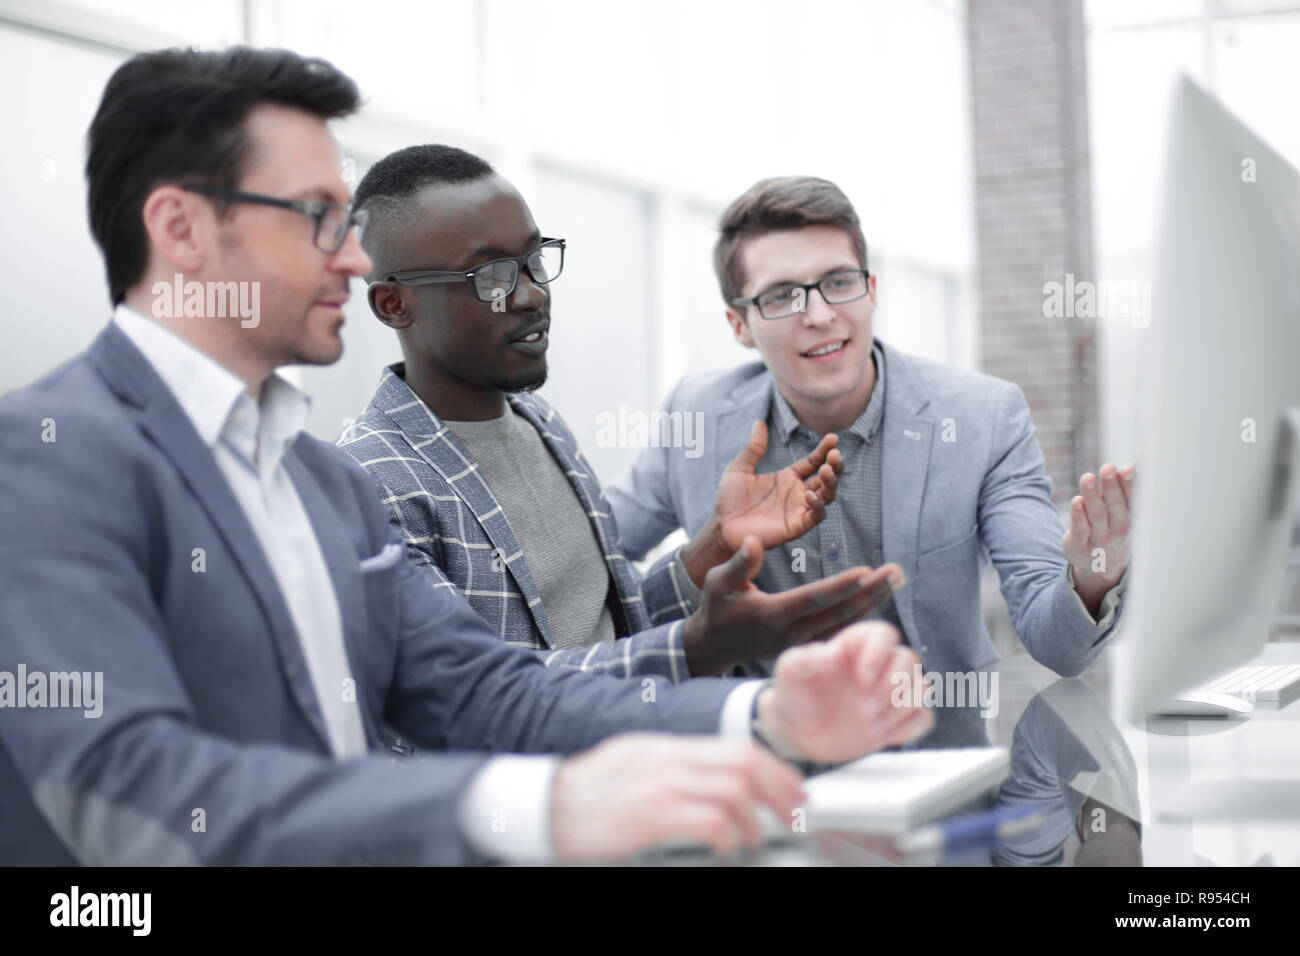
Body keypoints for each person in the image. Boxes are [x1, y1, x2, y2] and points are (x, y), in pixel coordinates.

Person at [0, 48, 931, 866]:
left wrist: (762, 718)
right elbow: (125, 785)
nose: (356, 262)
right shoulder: (50, 459)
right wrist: (549, 804)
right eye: (319, 218)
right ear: (180, 230)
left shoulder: (318, 485)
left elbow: (486, 691)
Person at [338, 145, 901, 682]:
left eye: (532, 259)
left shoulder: (541, 425)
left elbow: (615, 626)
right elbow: (471, 690)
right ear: (394, 304)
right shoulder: (367, 487)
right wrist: (696, 645)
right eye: (490, 277)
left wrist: (715, 544)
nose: (532, 294)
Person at [607, 176, 1133, 741]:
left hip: (936, 765)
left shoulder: (983, 417)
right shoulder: (698, 417)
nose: (820, 314)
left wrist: (1092, 576)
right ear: (740, 325)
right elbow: (588, 572)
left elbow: (1059, 646)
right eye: (782, 295)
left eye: (838, 282)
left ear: (871, 290)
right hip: (762, 762)